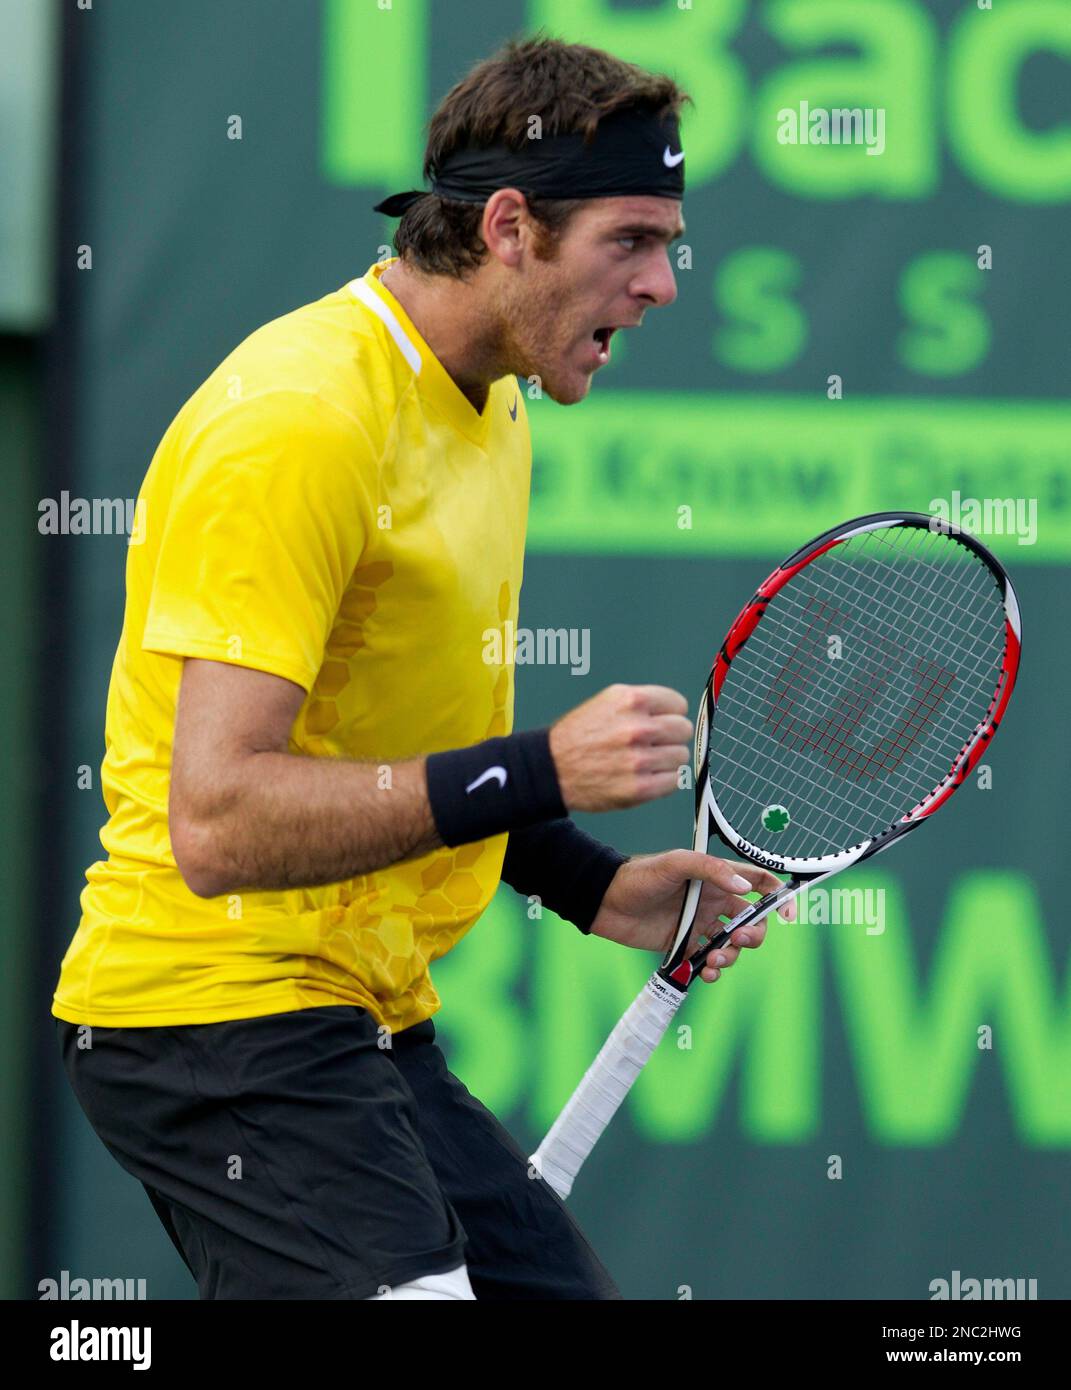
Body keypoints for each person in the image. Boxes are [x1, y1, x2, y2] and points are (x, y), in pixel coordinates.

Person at [52, 34, 787, 1301]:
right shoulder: (300, 424)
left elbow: (396, 746)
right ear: (509, 225)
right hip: (211, 1018)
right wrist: (541, 767)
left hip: (359, 1016)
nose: (664, 283)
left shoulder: (495, 401)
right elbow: (219, 822)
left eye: (670, 242)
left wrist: (585, 882)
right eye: (631, 240)